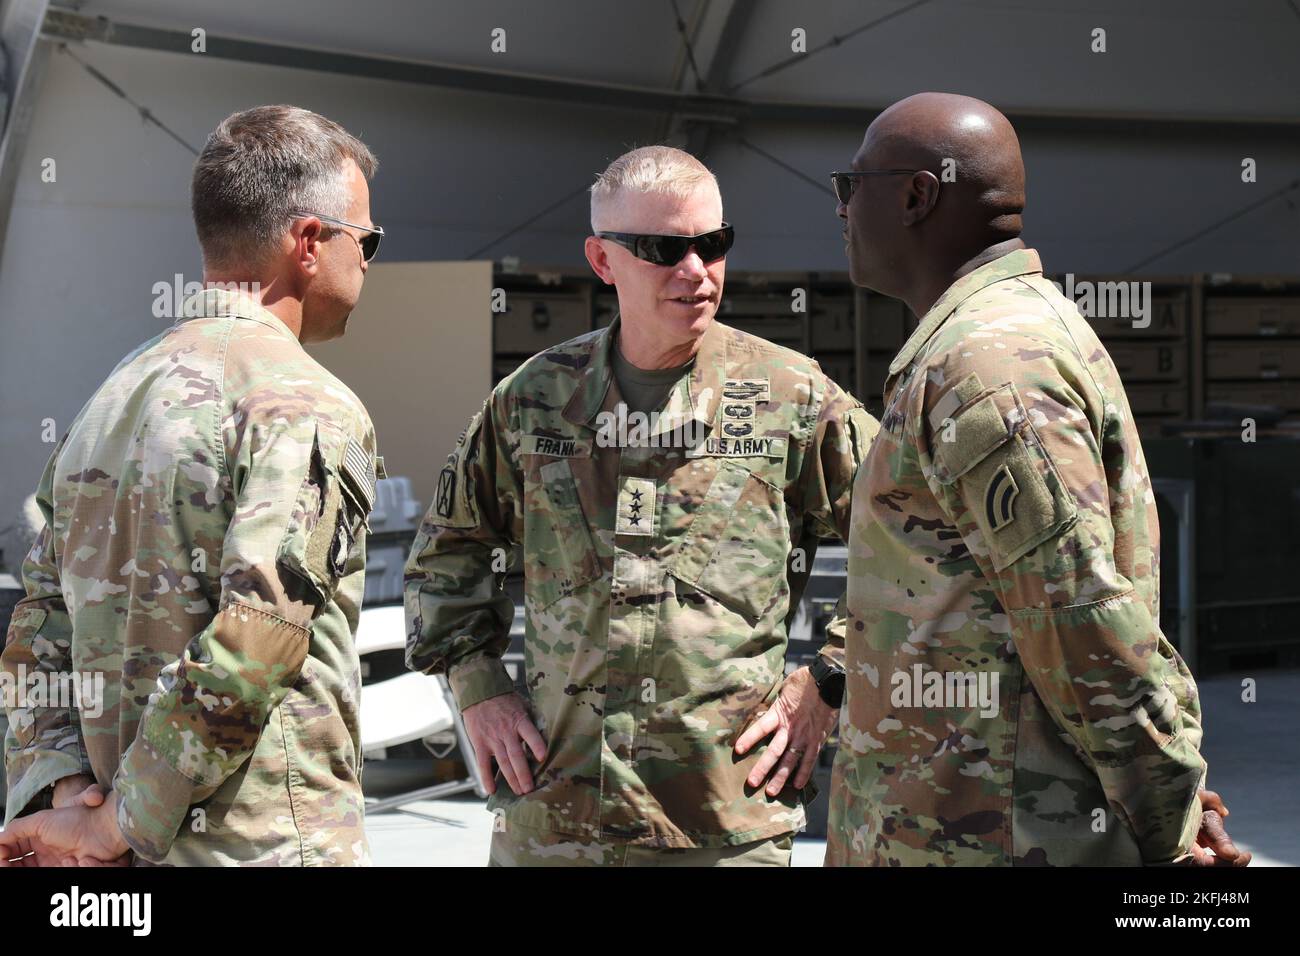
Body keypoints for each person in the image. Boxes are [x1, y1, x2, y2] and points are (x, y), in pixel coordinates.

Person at [405, 145, 878, 866]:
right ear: (603, 260)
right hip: (556, 816)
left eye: (713, 244)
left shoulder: (793, 399)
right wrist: (478, 687)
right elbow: (448, 553)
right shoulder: (535, 400)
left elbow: (922, 543)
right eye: (664, 248)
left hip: (722, 822)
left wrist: (827, 679)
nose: (696, 270)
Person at [825, 91, 1249, 866]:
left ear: (918, 195)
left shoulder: (982, 367)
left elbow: (1081, 621)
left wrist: (1172, 829)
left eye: (851, 187)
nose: (842, 211)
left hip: (988, 834)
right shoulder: (995, 336)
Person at [0, 105, 384, 867]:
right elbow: (257, 637)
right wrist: (119, 823)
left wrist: (66, 794)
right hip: (262, 847)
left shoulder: (110, 398)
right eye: (366, 240)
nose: (369, 261)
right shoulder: (305, 404)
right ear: (309, 242)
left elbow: (35, 620)